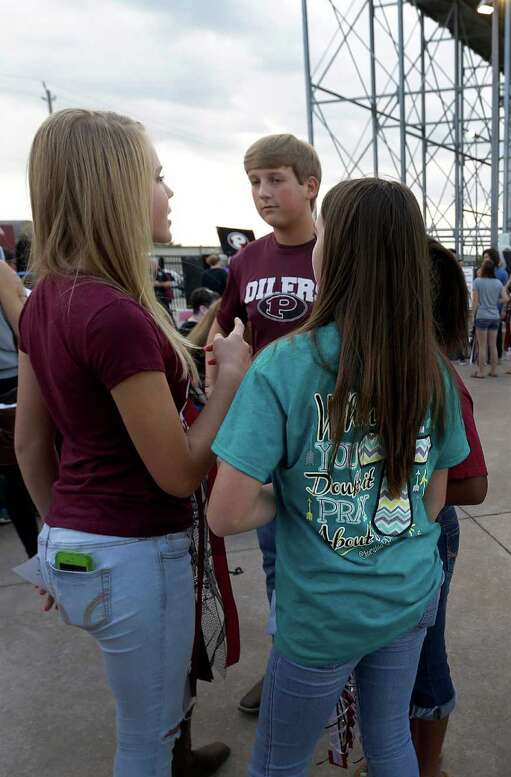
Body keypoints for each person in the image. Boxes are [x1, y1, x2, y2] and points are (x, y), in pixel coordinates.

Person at [207, 178, 469, 777]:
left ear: (332, 253)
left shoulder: (284, 365)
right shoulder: (430, 367)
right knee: (389, 742)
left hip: (323, 616)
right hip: (409, 598)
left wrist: (292, 502)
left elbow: (226, 512)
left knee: (275, 772)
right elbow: (434, 497)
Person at [16, 108, 250, 777]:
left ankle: (179, 760)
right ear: (114, 190)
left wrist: (64, 544)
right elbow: (179, 472)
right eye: (155, 177)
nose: (169, 192)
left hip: (83, 541)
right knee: (142, 738)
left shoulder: (48, 299)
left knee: (156, 695)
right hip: (133, 553)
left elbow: (31, 444)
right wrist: (232, 380)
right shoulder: (112, 313)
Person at [355, 240, 488, 777]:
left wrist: (407, 496)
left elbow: (474, 484)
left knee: (424, 654)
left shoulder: (440, 382)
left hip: (430, 535)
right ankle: (397, 751)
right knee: (389, 650)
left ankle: (427, 769)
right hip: (391, 536)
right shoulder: (378, 370)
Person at [207, 132, 323, 717]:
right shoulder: (247, 260)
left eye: (275, 179)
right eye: (254, 181)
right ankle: (287, 665)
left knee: (335, 555)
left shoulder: (338, 249)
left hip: (333, 439)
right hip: (269, 444)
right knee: (278, 561)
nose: (262, 192)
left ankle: (337, 671)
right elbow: (227, 329)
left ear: (310, 184)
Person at [0, 258, 37, 559]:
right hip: (16, 377)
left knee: (15, 471)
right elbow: (29, 331)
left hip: (15, 375)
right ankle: (39, 552)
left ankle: (36, 553)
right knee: (21, 464)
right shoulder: (4, 276)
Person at [471, 259, 505, 378]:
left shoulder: (477, 282)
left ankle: (481, 372)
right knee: (493, 345)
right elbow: (505, 298)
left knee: (482, 346)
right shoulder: (498, 283)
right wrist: (495, 301)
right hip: (494, 316)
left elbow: (475, 301)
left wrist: (472, 316)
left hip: (482, 316)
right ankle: (493, 370)